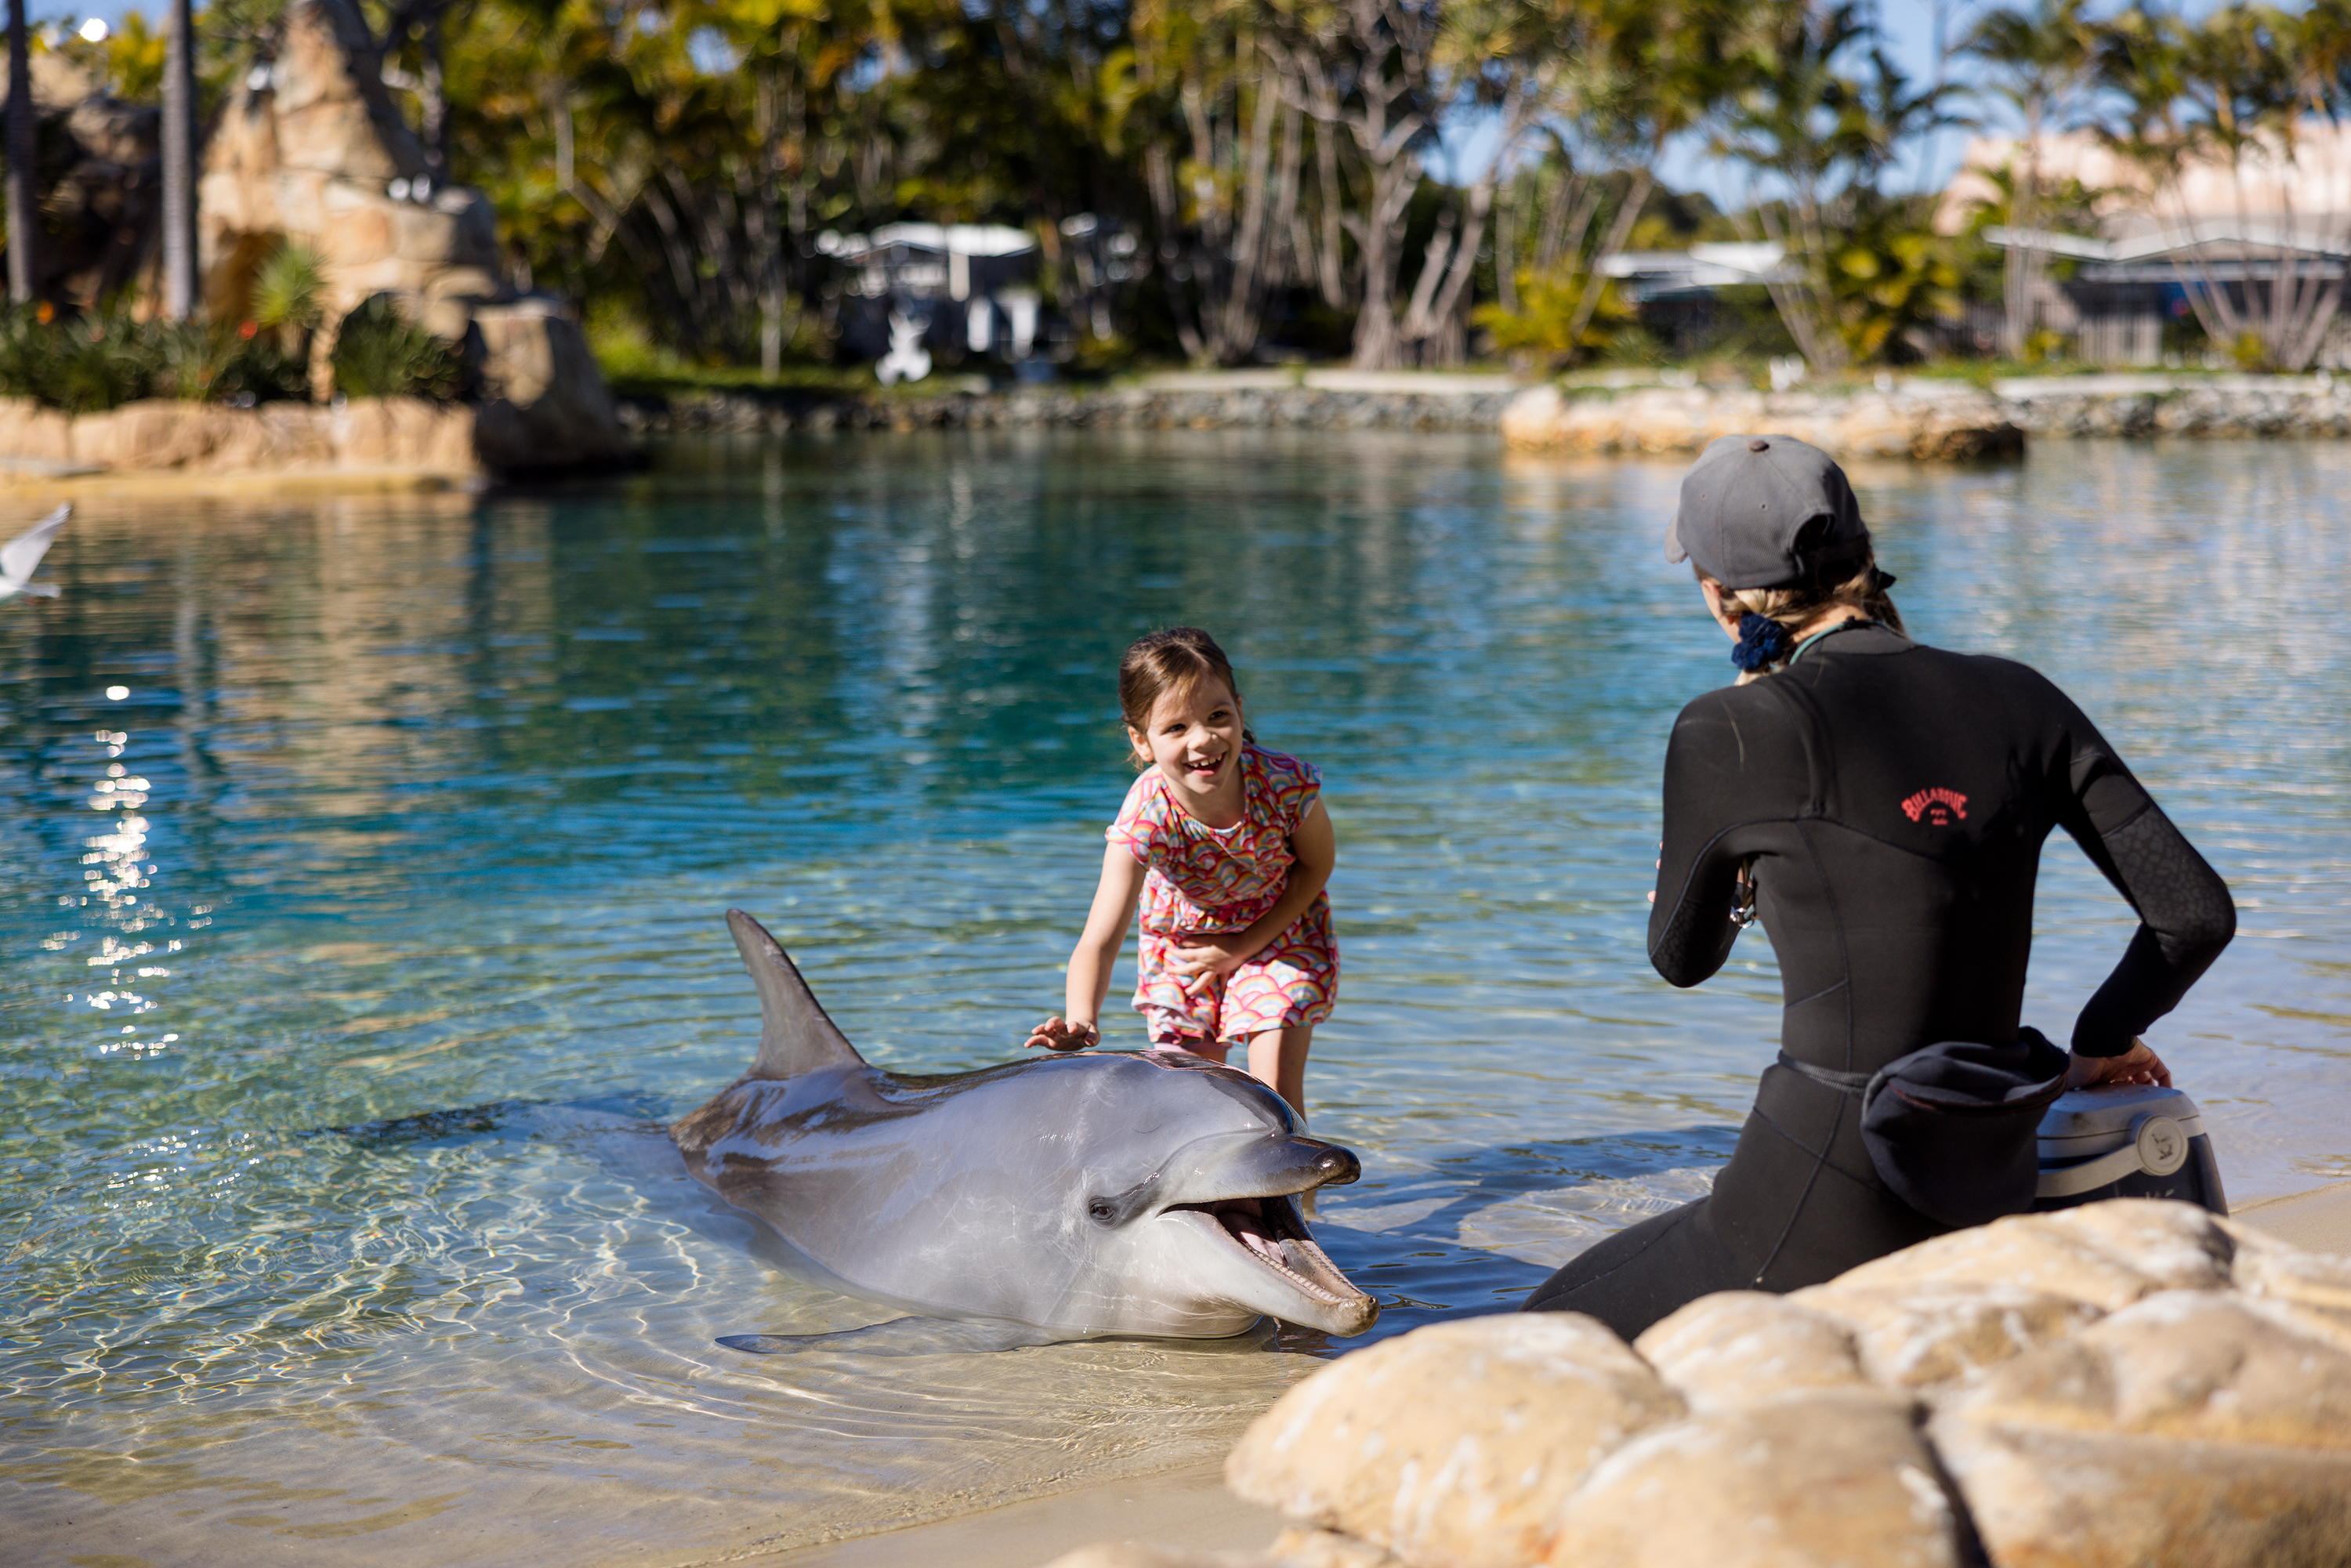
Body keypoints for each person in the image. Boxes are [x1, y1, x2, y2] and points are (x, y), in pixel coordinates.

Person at [1523, 434, 2236, 1338]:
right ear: (1863, 558)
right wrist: (2095, 1042)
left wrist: (1736, 836)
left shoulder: (1731, 728)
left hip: (1821, 1203)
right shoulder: (2022, 697)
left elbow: (1680, 958)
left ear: (1715, 592)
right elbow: (2194, 914)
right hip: (1988, 1177)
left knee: (1538, 1332)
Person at [1024, 627, 1338, 1117]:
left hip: (1280, 932)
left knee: (1269, 1092)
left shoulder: (1284, 784)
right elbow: (1100, 939)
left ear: (1239, 708)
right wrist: (1081, 1020)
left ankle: (1298, 1195)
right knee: (1196, 1100)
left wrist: (1241, 945)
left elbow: (1318, 865)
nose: (1204, 739)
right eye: (1176, 728)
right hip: (1184, 949)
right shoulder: (1147, 813)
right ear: (1141, 740)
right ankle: (1218, 1196)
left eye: (1218, 716)